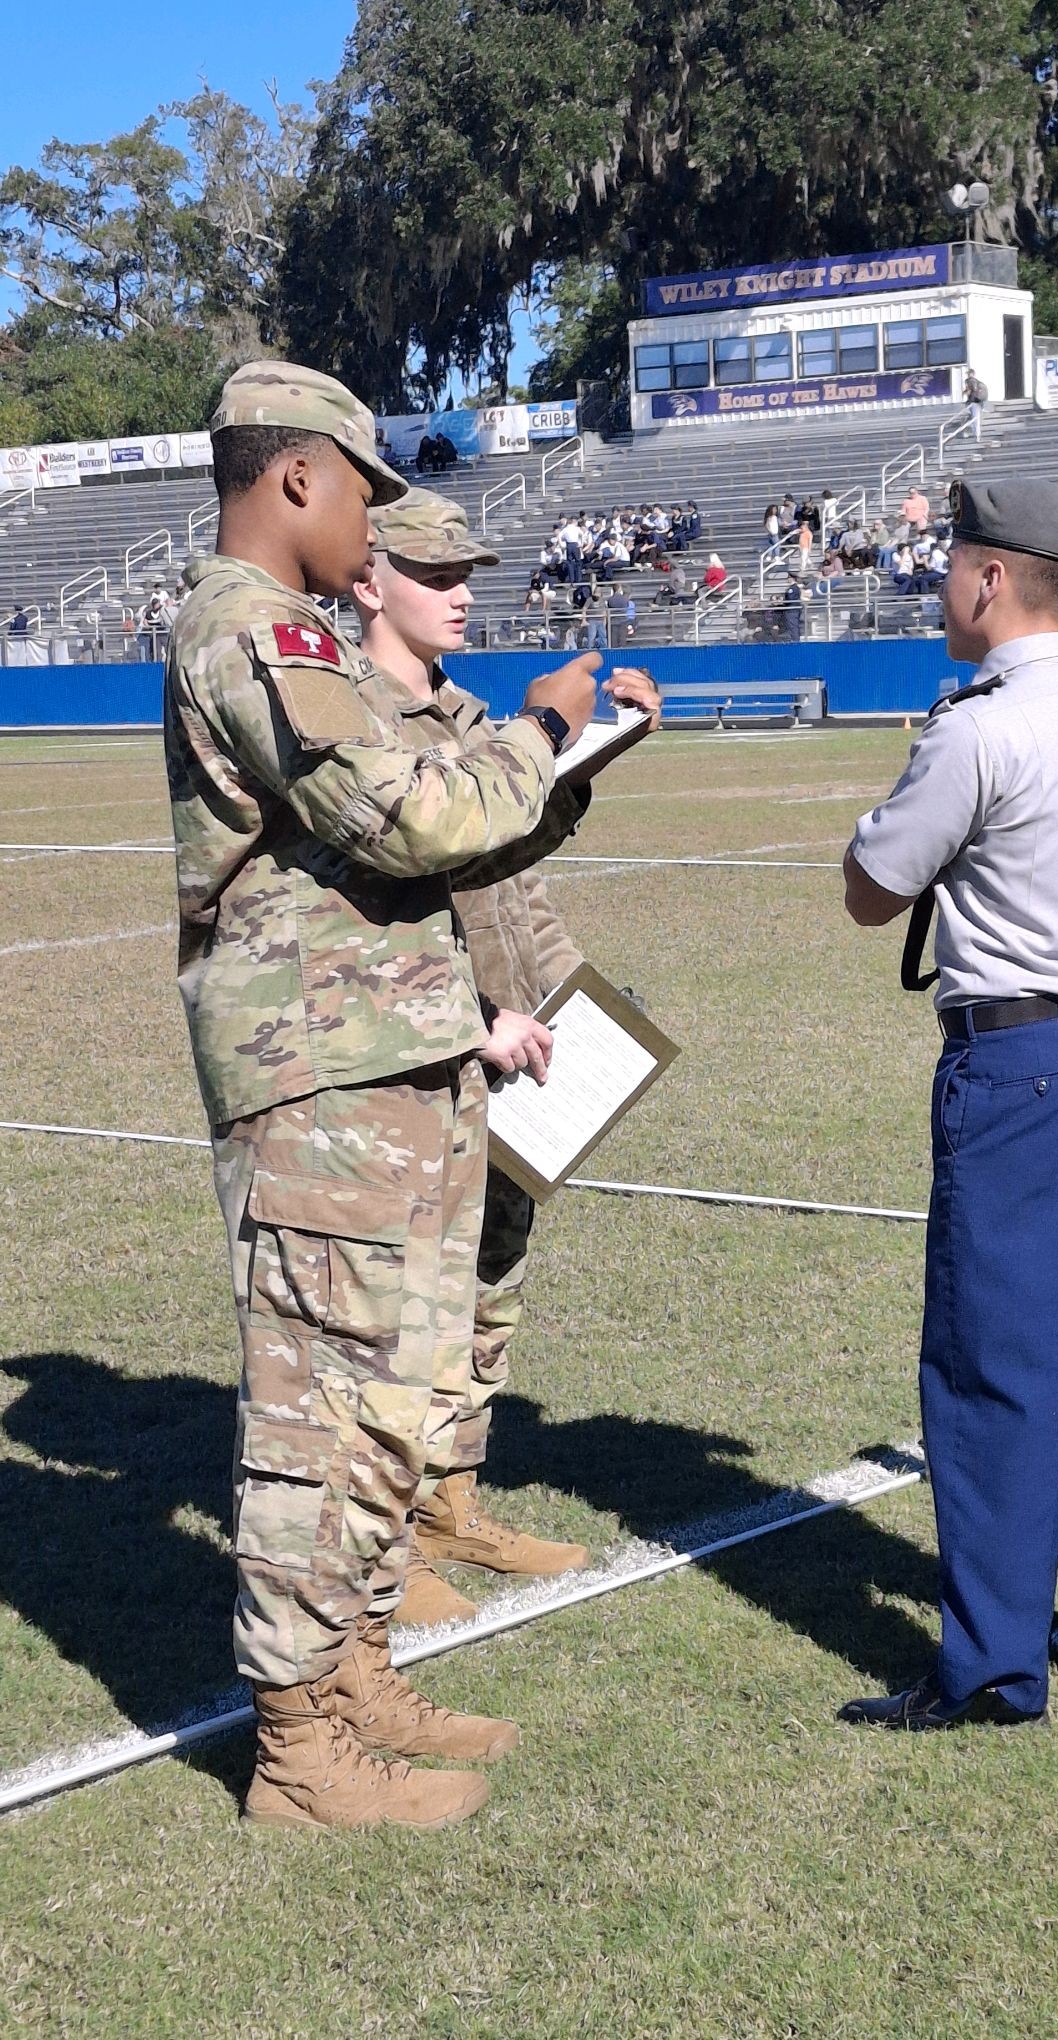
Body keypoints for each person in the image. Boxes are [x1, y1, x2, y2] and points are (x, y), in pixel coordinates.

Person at [163, 361, 600, 1830]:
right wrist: (536, 733)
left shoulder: (297, 637)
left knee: (387, 1402)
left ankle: (351, 1671)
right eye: (366, 490)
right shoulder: (252, 633)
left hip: (389, 1058)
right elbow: (413, 813)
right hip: (315, 1081)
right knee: (317, 1417)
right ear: (298, 479)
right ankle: (298, 1748)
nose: (377, 525)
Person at [838, 475, 1058, 1730]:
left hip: (1020, 1060)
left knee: (994, 1362)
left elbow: (874, 889)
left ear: (990, 580)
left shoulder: (976, 727)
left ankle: (988, 1668)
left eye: (951, 566)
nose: (941, 587)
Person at [350, 487, 660, 1622]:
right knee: (407, 1306)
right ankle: (387, 1538)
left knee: (491, 1281)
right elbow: (389, 887)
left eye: (468, 571)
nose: (462, 591)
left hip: (522, 1024)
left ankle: (450, 1502)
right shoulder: (357, 719)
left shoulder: (463, 709)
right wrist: (470, 1022)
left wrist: (594, 754)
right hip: (434, 1039)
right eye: (435, 575)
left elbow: (508, 833)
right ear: (368, 581)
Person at [963, 368, 988, 439]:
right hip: (978, 402)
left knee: (974, 418)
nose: (967, 375)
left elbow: (971, 390)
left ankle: (976, 434)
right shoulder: (977, 381)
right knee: (974, 417)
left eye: (968, 373)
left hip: (973, 401)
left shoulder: (969, 381)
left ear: (972, 374)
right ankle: (975, 433)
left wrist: (966, 393)